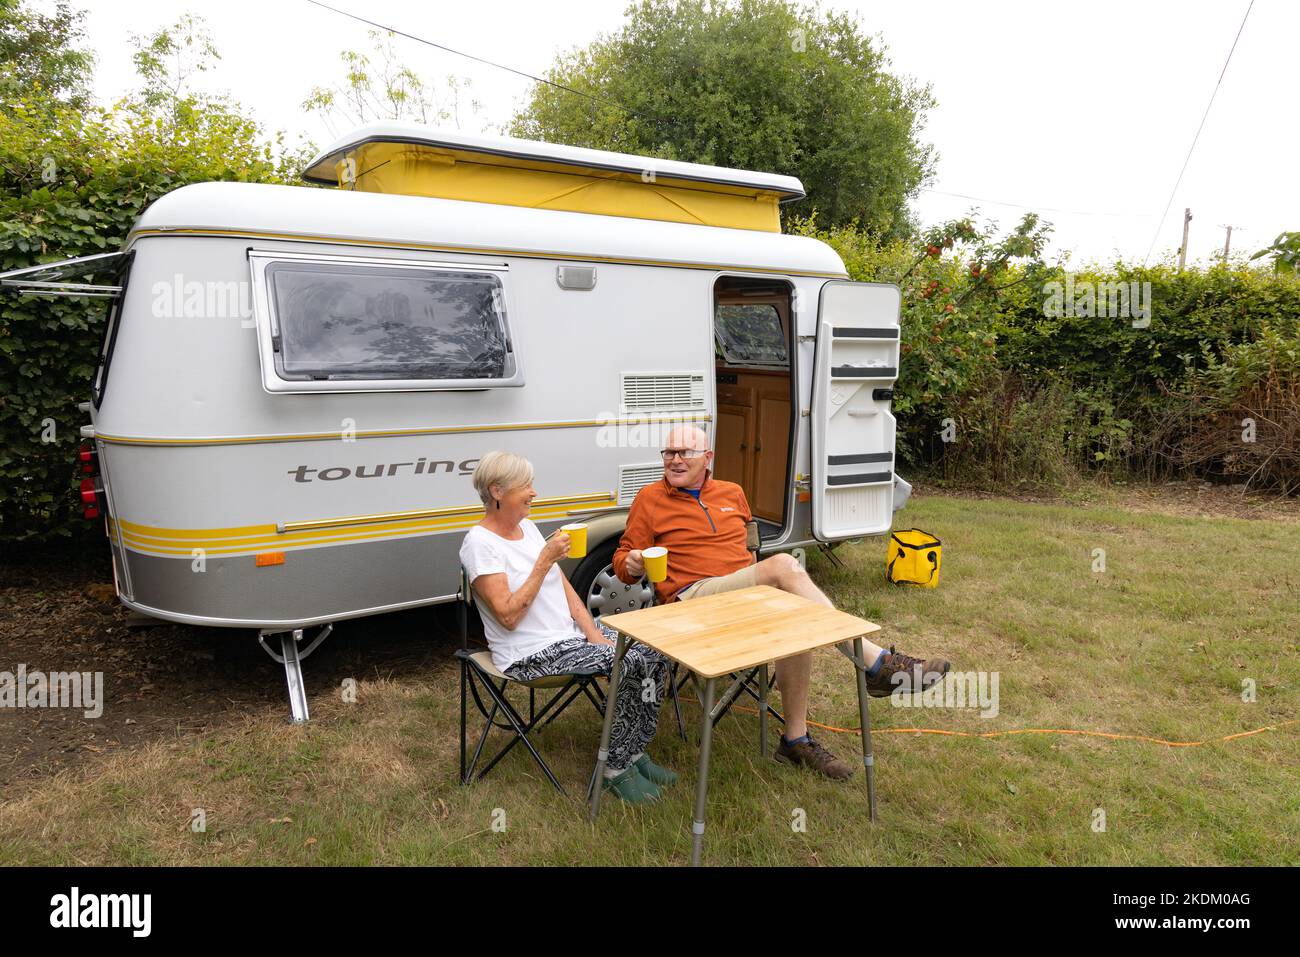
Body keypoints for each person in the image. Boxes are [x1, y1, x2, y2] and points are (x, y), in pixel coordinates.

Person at [613, 425, 951, 781]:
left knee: (798, 619)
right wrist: (632, 565)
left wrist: (758, 582)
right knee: (785, 565)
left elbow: (749, 549)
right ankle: (878, 663)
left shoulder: (732, 493)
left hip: (741, 601)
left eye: (686, 452)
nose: (676, 460)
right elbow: (623, 562)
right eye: (669, 453)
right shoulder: (650, 499)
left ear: (707, 458)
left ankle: (795, 740)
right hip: (692, 602)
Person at [459, 451, 674, 804]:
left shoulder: (526, 528)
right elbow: (508, 616)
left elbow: (566, 590)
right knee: (631, 662)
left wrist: (594, 635)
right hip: (529, 654)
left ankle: (635, 750)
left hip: (568, 640)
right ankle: (615, 769)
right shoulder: (480, 545)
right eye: (525, 486)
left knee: (654, 646)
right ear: (497, 491)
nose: (533, 493)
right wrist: (544, 559)